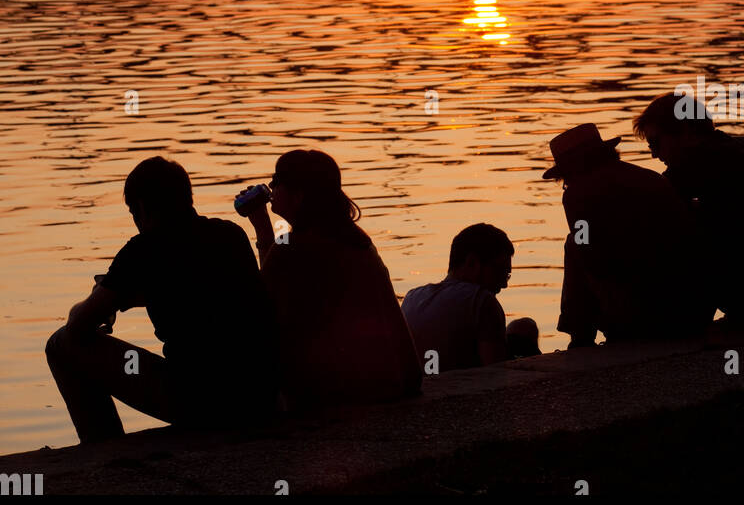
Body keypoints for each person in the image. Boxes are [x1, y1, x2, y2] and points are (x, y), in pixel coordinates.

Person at [45, 157, 279, 444]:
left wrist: (97, 298)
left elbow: (79, 327)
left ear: (141, 207)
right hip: (259, 395)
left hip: (200, 401)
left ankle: (102, 448)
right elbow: (212, 295)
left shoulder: (143, 250)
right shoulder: (230, 234)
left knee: (61, 345)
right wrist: (149, 294)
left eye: (133, 212)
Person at [239, 150, 421, 407]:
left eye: (277, 180)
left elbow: (261, 310)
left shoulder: (293, 248)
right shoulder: (358, 241)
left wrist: (263, 230)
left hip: (339, 394)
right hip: (394, 381)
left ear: (299, 196)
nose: (271, 187)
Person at [633, 92, 744, 324]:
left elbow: (646, 208)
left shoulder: (697, 163)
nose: (654, 154)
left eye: (656, 143)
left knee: (658, 225)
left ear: (685, 131)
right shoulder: (742, 147)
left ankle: (659, 325)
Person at [544, 123, 713, 347]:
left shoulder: (578, 194)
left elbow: (592, 260)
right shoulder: (650, 178)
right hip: (695, 309)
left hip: (646, 318)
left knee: (575, 244)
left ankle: (580, 338)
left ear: (571, 170)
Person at [401, 223, 538, 370]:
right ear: (472, 263)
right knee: (526, 328)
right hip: (460, 387)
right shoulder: (481, 301)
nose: (504, 284)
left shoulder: (411, 297)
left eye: (507, 275)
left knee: (519, 327)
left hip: (425, 381)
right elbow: (496, 374)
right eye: (500, 272)